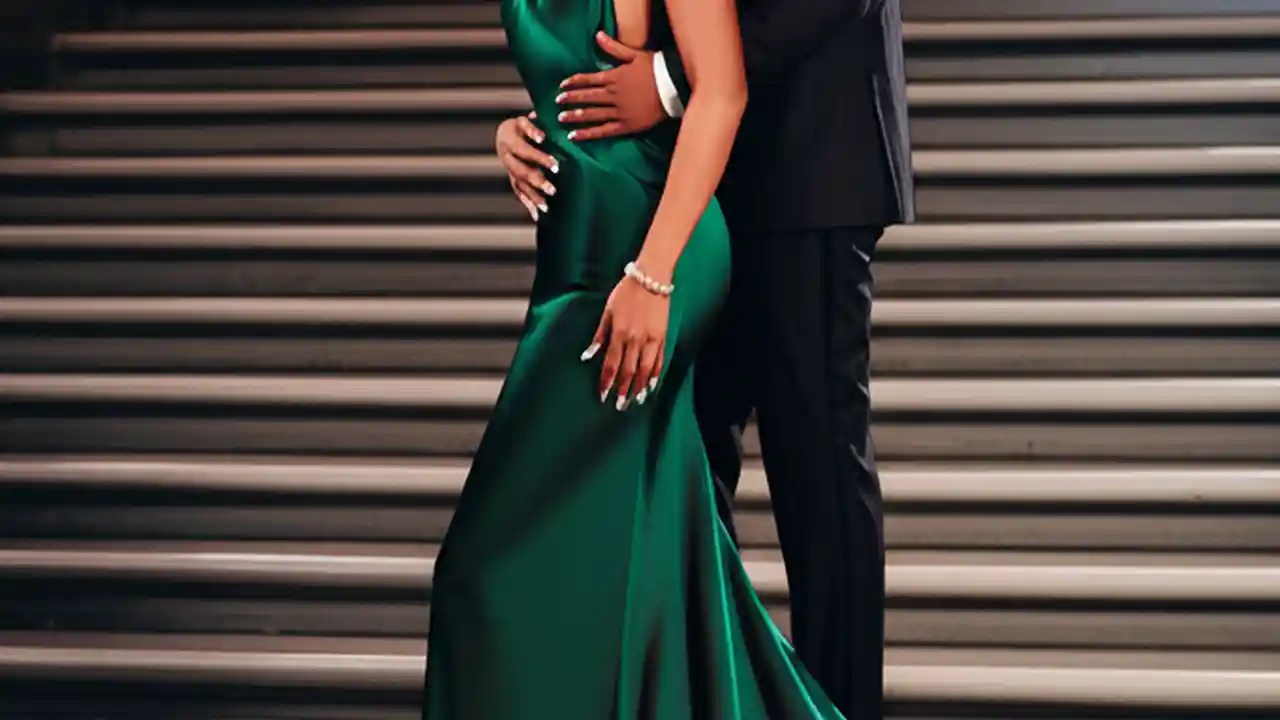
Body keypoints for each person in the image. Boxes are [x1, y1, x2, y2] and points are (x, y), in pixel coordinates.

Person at [423, 0, 849, 717]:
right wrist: (516, 130)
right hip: (573, 256)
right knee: (656, 558)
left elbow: (722, 93)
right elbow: (567, 79)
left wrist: (653, 276)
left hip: (641, 253)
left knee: (478, 572)